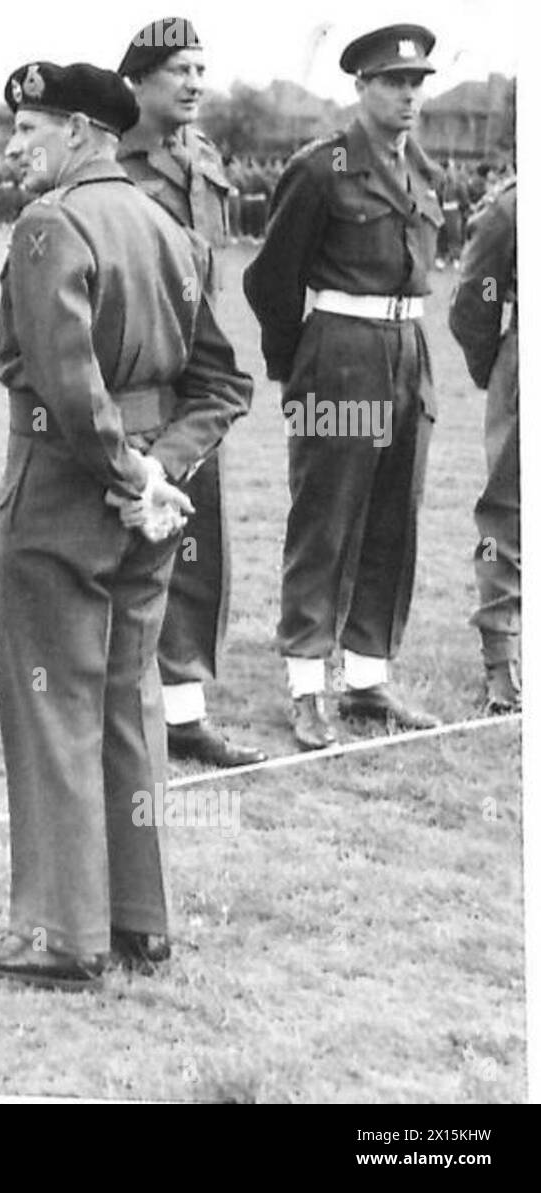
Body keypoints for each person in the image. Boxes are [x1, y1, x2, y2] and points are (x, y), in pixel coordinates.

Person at [0, 61, 251, 989]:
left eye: (29, 131)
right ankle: (137, 921)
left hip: (62, 493)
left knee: (54, 709)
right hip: (143, 510)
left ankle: (60, 931)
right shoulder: (172, 228)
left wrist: (132, 472)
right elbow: (222, 385)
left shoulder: (52, 224)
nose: (13, 148)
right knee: (128, 703)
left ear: (80, 132)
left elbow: (69, 384)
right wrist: (160, 476)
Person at [243, 24, 444, 751]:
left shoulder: (423, 168)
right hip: (341, 350)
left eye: (418, 83)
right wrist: (297, 365)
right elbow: (271, 279)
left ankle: (366, 678)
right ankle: (306, 685)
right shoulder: (322, 167)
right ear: (360, 87)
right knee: (326, 519)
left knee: (396, 516)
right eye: (394, 82)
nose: (408, 96)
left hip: (407, 349)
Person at [117, 17, 266, 770]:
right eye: (178, 68)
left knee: (198, 550)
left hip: (196, 374)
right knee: (125, 541)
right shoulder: (114, 162)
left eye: (201, 68)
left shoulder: (201, 159)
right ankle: (119, 703)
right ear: (138, 80)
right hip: (135, 372)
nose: (195, 82)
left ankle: (184, 714)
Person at [449, 179, 519, 713]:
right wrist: (495, 368)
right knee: (509, 513)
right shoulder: (512, 205)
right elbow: (477, 295)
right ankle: (503, 660)